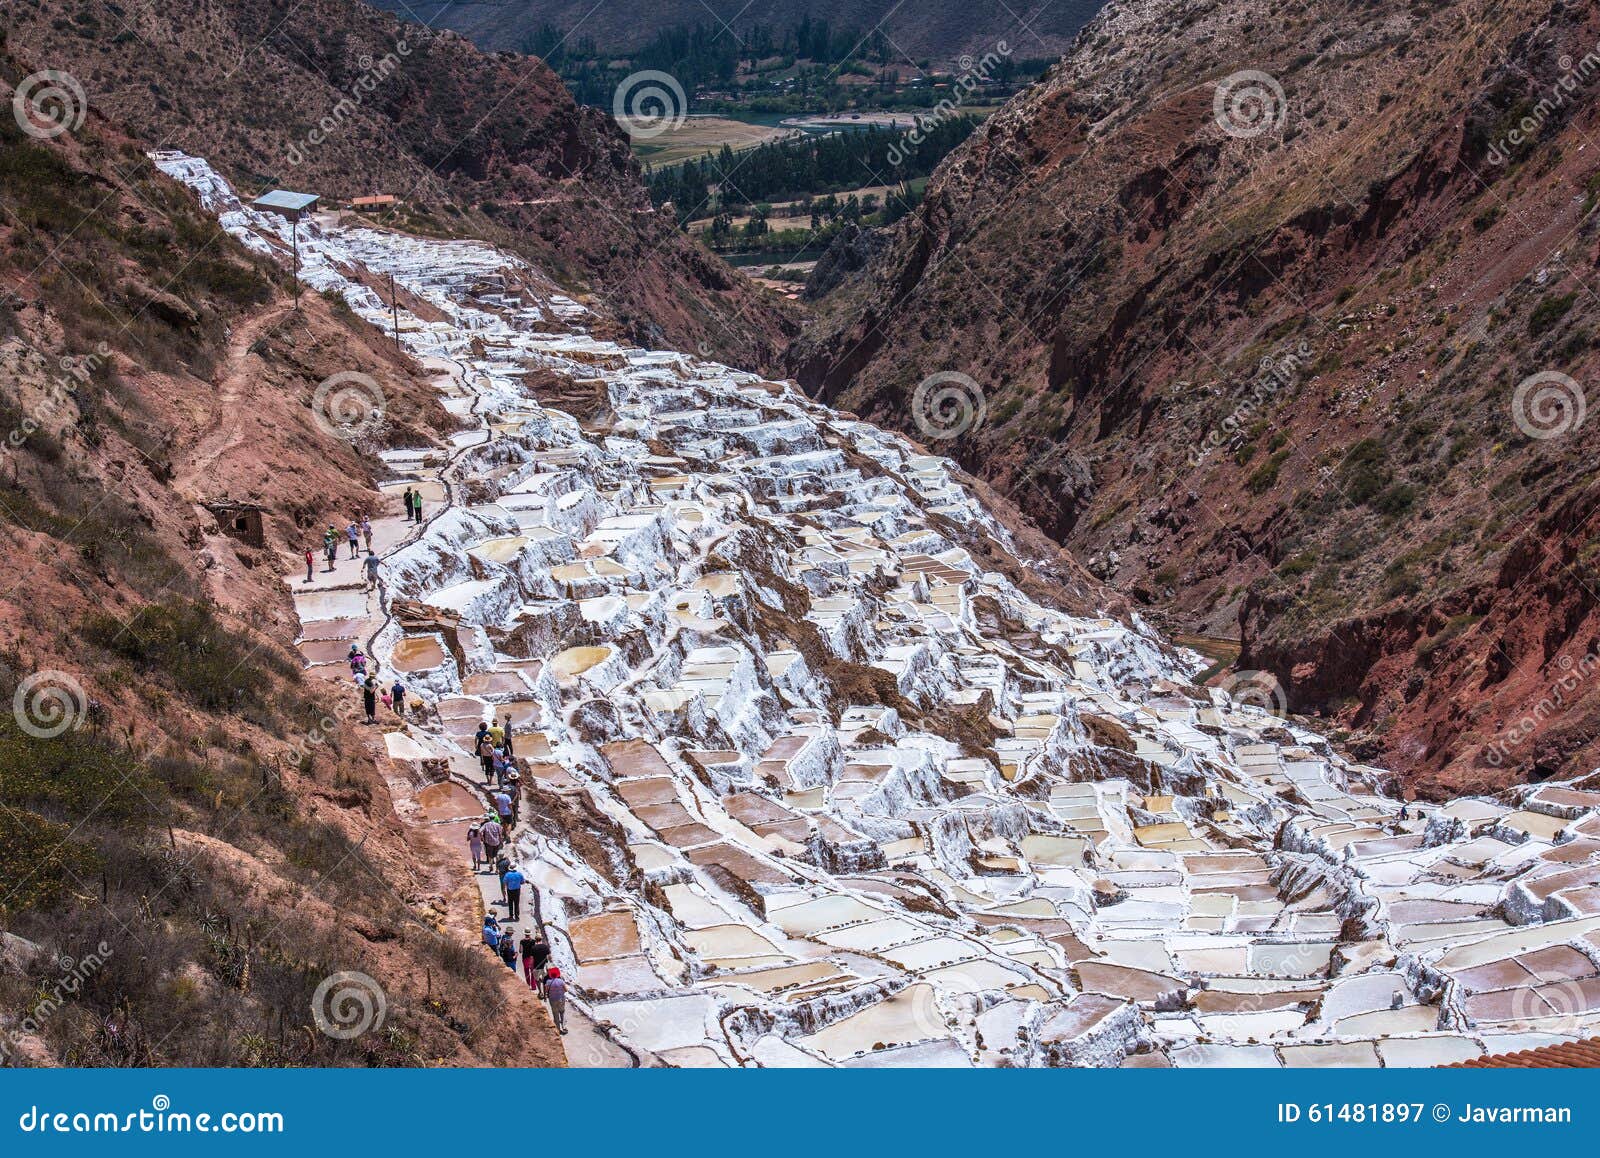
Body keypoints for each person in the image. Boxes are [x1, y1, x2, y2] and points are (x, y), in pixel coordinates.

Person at [545, 966, 568, 1034]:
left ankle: (558, 1029)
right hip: (561, 999)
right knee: (562, 1012)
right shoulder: (561, 981)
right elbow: (566, 990)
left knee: (555, 1014)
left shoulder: (548, 982)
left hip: (552, 1000)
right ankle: (564, 1027)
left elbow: (546, 991)